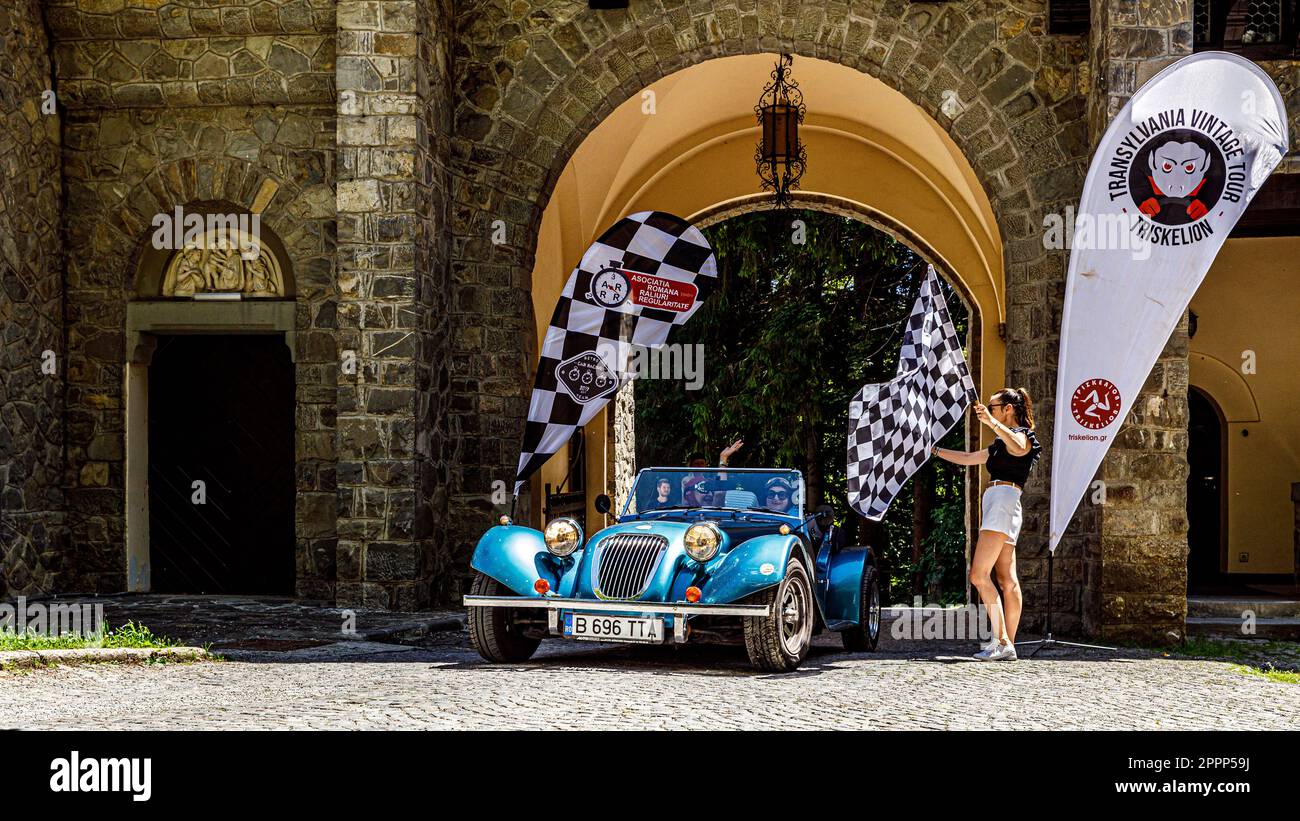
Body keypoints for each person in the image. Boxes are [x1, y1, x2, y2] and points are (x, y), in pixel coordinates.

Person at [932, 387, 1041, 662]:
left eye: (993, 408)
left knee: (979, 575)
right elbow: (969, 459)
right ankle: (1007, 645)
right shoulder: (998, 446)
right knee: (1006, 579)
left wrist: (990, 422)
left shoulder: (1023, 437)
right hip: (1002, 502)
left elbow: (1017, 446)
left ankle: (1003, 641)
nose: (988, 412)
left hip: (1003, 501)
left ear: (1008, 409)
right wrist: (934, 450)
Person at [682, 439, 744, 506]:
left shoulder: (709, 478)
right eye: (696, 464)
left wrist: (723, 458)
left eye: (702, 463)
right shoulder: (687, 480)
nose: (699, 466)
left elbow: (719, 492)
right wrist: (723, 460)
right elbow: (720, 492)